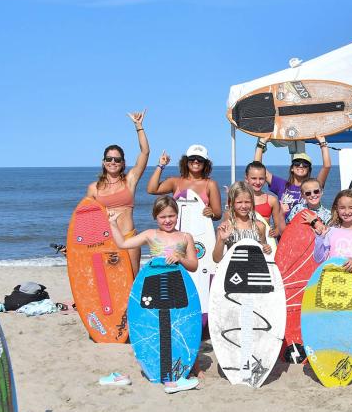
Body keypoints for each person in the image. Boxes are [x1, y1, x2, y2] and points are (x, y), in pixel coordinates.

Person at [108, 196, 200, 394]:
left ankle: (172, 375)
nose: (167, 220)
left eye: (171, 215)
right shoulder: (150, 234)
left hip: (177, 286)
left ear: (177, 215)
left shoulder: (185, 237)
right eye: (162, 216)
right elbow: (123, 244)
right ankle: (165, 374)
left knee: (174, 328)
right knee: (158, 328)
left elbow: (194, 265)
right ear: (155, 217)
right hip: (153, 286)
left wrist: (180, 257)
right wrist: (113, 223)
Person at [85, 111, 151, 274]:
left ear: (123, 163)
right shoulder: (94, 188)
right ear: (103, 162)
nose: (113, 162)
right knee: (108, 284)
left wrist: (138, 127)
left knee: (131, 280)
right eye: (109, 159)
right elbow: (87, 220)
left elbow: (145, 153)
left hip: (128, 238)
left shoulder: (130, 181)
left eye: (117, 159)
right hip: (105, 241)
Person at [254, 136, 331, 218]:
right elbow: (258, 168)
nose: (301, 166)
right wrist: (261, 144)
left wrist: (323, 142)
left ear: (309, 169)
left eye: (305, 165)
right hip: (285, 228)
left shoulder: (313, 186)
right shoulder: (281, 185)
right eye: (297, 163)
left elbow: (327, 166)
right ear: (292, 168)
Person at [147, 144, 222, 221]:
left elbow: (218, 214)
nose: (196, 161)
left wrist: (212, 214)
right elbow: (152, 190)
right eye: (192, 158)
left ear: (205, 163)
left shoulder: (211, 184)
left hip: (201, 230)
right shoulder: (175, 182)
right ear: (186, 161)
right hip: (178, 231)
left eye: (200, 159)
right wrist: (161, 165)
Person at [312, 190, 352, 272]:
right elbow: (319, 259)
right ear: (336, 208)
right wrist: (319, 238)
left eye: (351, 208)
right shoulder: (330, 230)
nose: (346, 212)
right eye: (342, 208)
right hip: (332, 281)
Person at [212, 182, 273, 263]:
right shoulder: (225, 227)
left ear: (252, 202)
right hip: (233, 273)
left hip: (253, 272)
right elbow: (216, 259)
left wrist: (267, 249)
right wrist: (222, 240)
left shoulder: (260, 226)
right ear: (231, 203)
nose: (244, 206)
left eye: (247, 202)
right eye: (239, 202)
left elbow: (263, 253)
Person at [244, 161, 285, 236]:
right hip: (244, 241)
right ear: (246, 179)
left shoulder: (272, 200)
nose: (258, 182)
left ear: (265, 179)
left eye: (261, 178)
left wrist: (275, 232)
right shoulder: (238, 199)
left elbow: (278, 227)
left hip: (265, 243)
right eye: (254, 178)